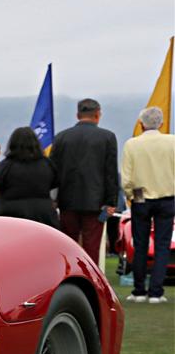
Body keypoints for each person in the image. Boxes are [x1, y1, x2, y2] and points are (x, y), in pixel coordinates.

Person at [50, 98, 120, 260]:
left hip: (67, 201)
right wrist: (111, 201)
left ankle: (69, 280)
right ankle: (91, 282)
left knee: (68, 246)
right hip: (95, 203)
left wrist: (54, 199)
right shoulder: (107, 137)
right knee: (91, 248)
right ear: (97, 114)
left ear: (77, 115)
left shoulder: (61, 137)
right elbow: (110, 173)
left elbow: (53, 171)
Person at [120, 106, 175, 303]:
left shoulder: (132, 144)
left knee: (140, 244)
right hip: (167, 198)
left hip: (141, 197)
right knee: (162, 246)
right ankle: (156, 292)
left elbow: (126, 177)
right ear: (161, 123)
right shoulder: (172, 142)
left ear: (141, 124)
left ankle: (139, 290)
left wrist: (131, 196)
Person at [0, 127, 59, 229]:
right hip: (43, 213)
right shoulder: (46, 163)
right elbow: (55, 182)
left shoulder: (6, 164)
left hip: (11, 213)